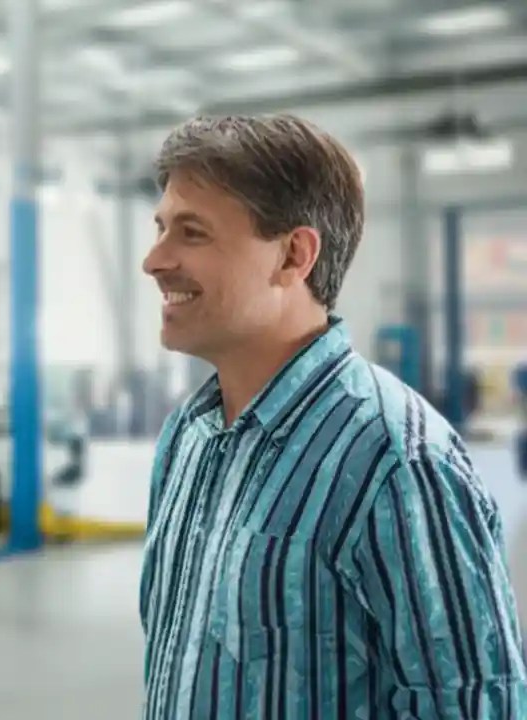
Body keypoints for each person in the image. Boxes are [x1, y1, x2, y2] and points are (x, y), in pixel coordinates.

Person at [138, 114, 527, 719]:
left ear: (293, 255)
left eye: (192, 233)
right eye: (161, 228)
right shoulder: (188, 436)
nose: (154, 260)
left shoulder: (397, 462)